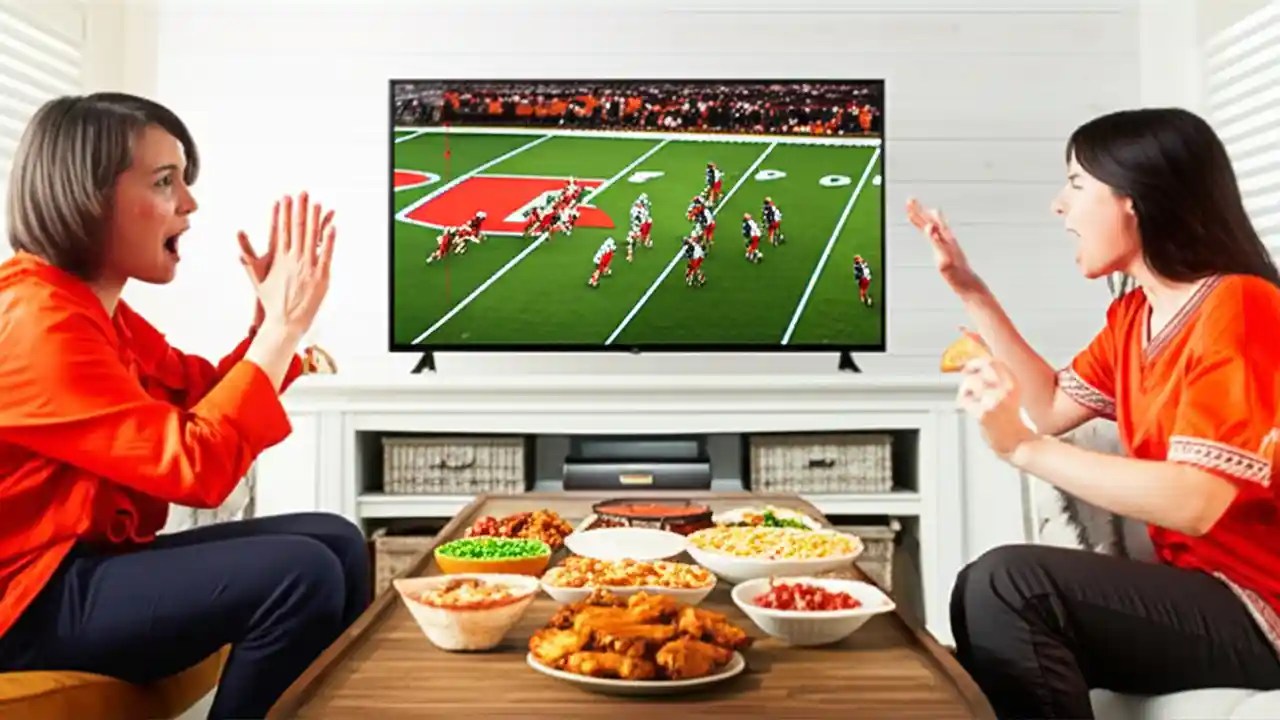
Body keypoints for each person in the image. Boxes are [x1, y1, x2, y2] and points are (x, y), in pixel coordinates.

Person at [0, 92, 370, 720]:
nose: (190, 204)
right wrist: (281, 333)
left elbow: (197, 396)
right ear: (90, 196)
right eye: (166, 182)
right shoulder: (37, 322)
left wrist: (266, 335)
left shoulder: (92, 308)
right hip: (28, 603)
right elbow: (196, 467)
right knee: (300, 572)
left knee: (337, 542)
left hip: (80, 571)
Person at [912, 107, 1280, 719]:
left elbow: (1198, 499)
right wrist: (970, 291)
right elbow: (1052, 406)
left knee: (1008, 585)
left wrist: (1021, 450)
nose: (1060, 205)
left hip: (1260, 609)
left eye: (1077, 184)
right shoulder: (1134, 316)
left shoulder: (1239, 306)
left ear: (1133, 199)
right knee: (977, 610)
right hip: (1205, 595)